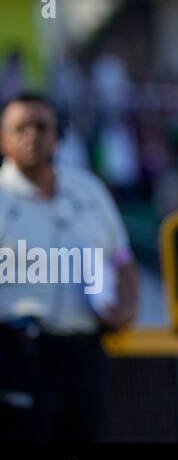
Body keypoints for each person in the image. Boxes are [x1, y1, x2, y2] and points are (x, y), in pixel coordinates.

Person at [0, 92, 139, 441]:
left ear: (58, 136)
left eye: (42, 126)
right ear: (3, 139)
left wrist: (127, 308)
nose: (31, 135)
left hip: (83, 352)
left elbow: (122, 259)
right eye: (20, 128)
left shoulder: (89, 190)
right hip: (16, 353)